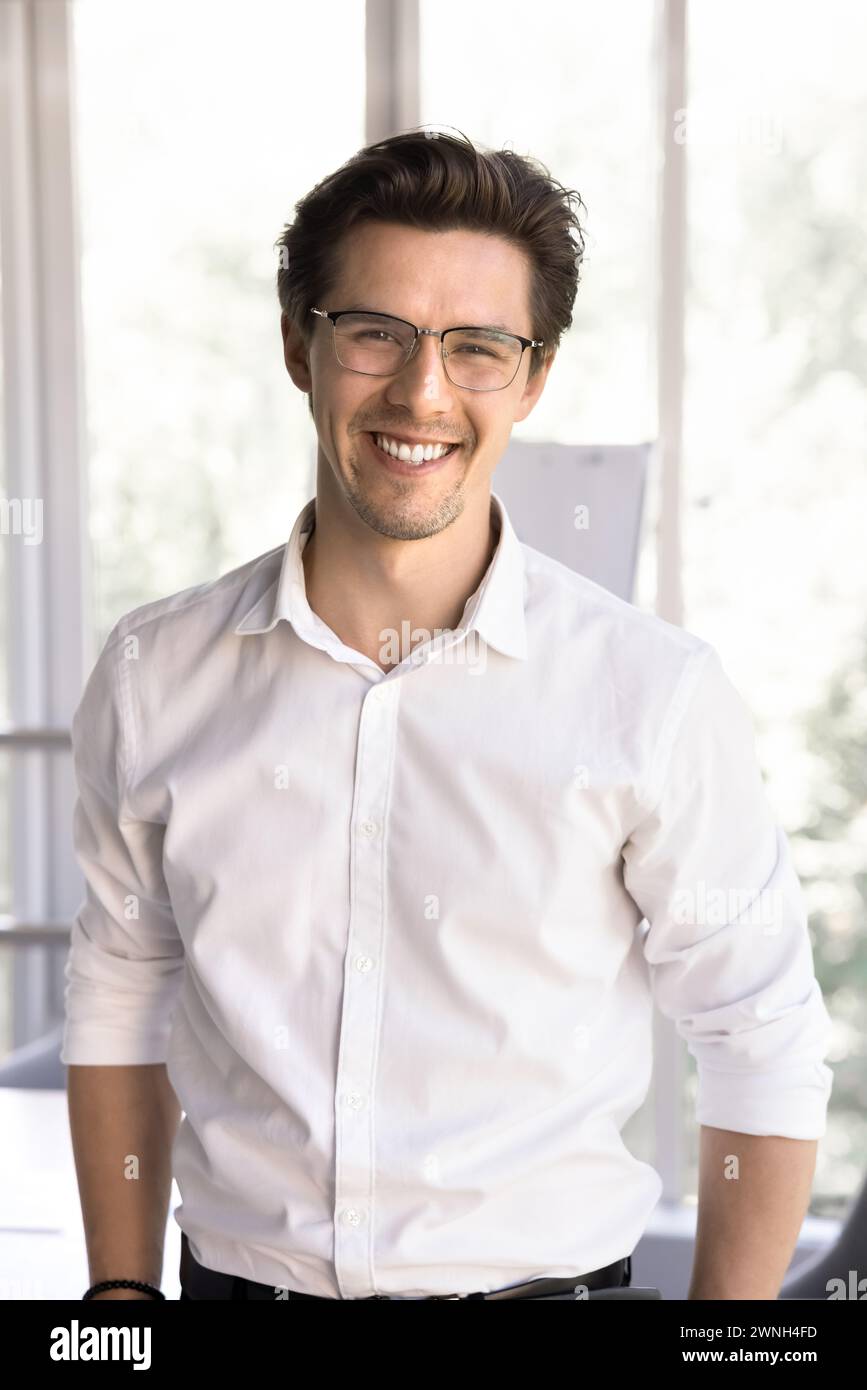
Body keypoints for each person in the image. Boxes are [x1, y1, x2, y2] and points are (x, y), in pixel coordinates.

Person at [62, 130, 833, 1303]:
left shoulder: (651, 693)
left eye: (478, 347)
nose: (422, 393)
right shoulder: (151, 673)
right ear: (297, 345)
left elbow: (759, 1035)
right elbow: (124, 981)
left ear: (533, 378)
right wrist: (119, 1300)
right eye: (375, 332)